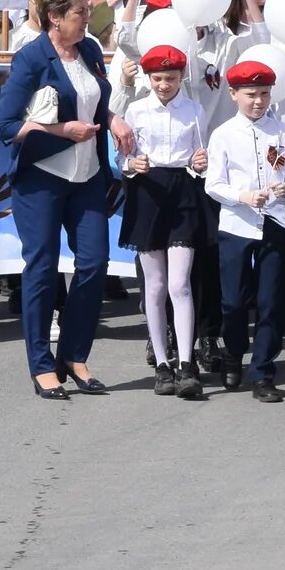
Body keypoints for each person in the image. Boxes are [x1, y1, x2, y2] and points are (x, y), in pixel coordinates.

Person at [0, 0, 115, 400]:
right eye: (80, 12)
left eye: (87, 10)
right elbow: (5, 126)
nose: (87, 19)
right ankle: (42, 365)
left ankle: (75, 356)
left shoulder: (91, 50)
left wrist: (114, 119)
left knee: (95, 264)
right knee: (42, 269)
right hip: (42, 177)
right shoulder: (31, 59)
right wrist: (63, 130)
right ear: (55, 17)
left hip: (88, 175)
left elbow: (95, 100)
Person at [202, 54, 285, 404]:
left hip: (274, 222)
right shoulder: (223, 134)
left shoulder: (282, 131)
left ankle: (263, 371)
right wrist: (242, 196)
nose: (258, 101)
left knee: (270, 299)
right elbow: (213, 183)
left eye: (264, 94)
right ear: (233, 95)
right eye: (250, 95)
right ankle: (233, 352)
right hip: (237, 224)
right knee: (233, 300)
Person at [117, 42, 210, 397]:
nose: (164, 85)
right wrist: (131, 164)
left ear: (181, 76)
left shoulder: (195, 110)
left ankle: (187, 362)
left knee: (180, 284)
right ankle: (162, 364)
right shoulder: (136, 110)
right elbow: (123, 157)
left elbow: (202, 155)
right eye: (157, 78)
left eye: (170, 78)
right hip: (148, 192)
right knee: (154, 286)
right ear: (149, 78)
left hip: (183, 192)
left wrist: (200, 163)